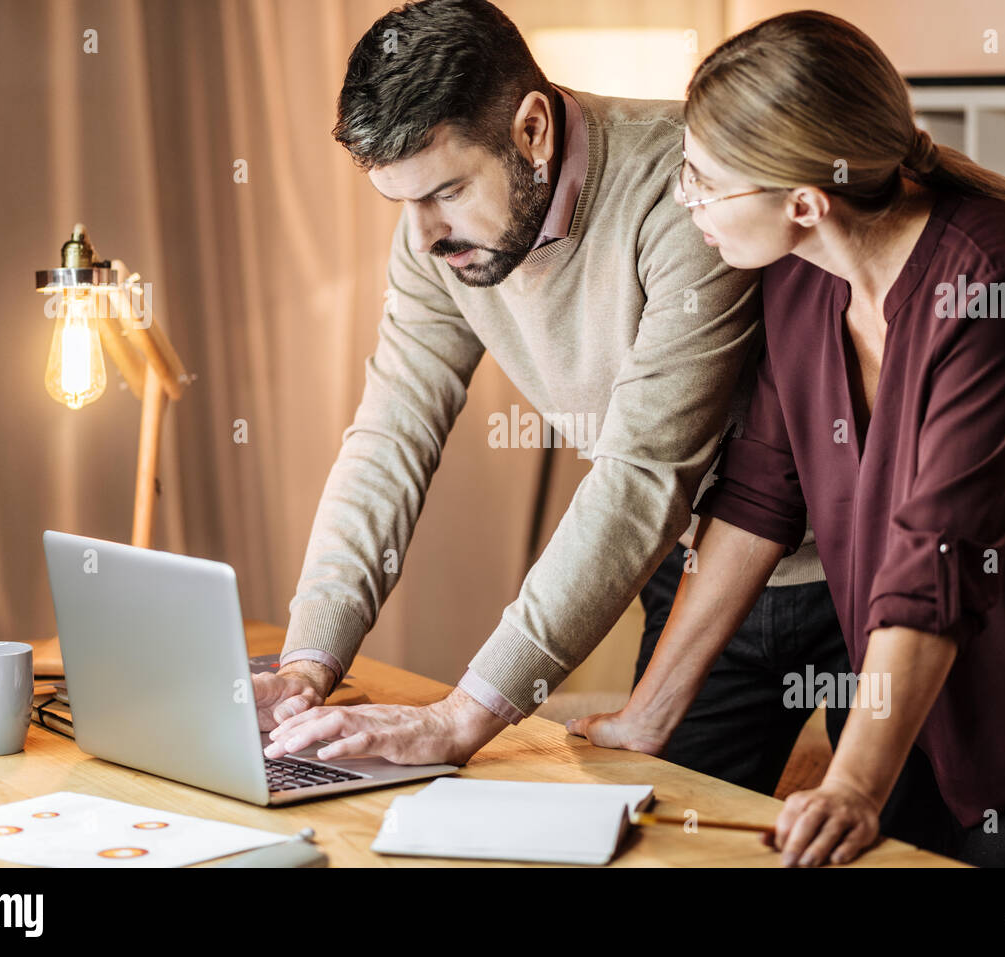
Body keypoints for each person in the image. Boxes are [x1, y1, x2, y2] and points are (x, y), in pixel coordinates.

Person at [569, 10, 1005, 867]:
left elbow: (941, 551)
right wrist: (648, 712)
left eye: (703, 180)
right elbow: (759, 497)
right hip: (927, 715)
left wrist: (852, 785)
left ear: (802, 200)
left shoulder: (992, 282)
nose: (687, 201)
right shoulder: (798, 278)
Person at [257, 0, 846, 791]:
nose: (425, 234)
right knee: (671, 840)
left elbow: (642, 473)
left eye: (447, 190)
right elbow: (389, 435)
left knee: (920, 843)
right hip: (702, 574)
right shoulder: (432, 239)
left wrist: (466, 712)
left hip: (856, 568)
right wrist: (307, 661)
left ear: (531, 130)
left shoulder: (685, 190)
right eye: (404, 202)